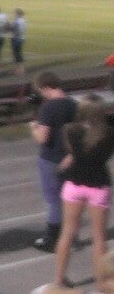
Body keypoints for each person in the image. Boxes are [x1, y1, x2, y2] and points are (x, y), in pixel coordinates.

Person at [52, 98, 114, 290]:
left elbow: (74, 154)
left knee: (67, 233)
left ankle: (59, 279)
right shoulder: (108, 133)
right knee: (98, 238)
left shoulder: (70, 130)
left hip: (73, 185)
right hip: (98, 186)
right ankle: (101, 282)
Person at [30, 71, 78, 252]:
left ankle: (52, 237)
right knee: (69, 199)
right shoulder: (74, 105)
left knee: (53, 200)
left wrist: (33, 127)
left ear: (46, 88)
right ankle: (71, 236)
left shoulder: (48, 108)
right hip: (69, 157)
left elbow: (43, 138)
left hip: (50, 158)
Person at [11, 8, 27, 76]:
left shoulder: (17, 21)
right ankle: (19, 70)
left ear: (18, 14)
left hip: (16, 39)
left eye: (15, 13)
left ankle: (19, 71)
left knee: (17, 56)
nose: (14, 14)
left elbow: (15, 30)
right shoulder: (23, 20)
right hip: (21, 38)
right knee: (18, 55)